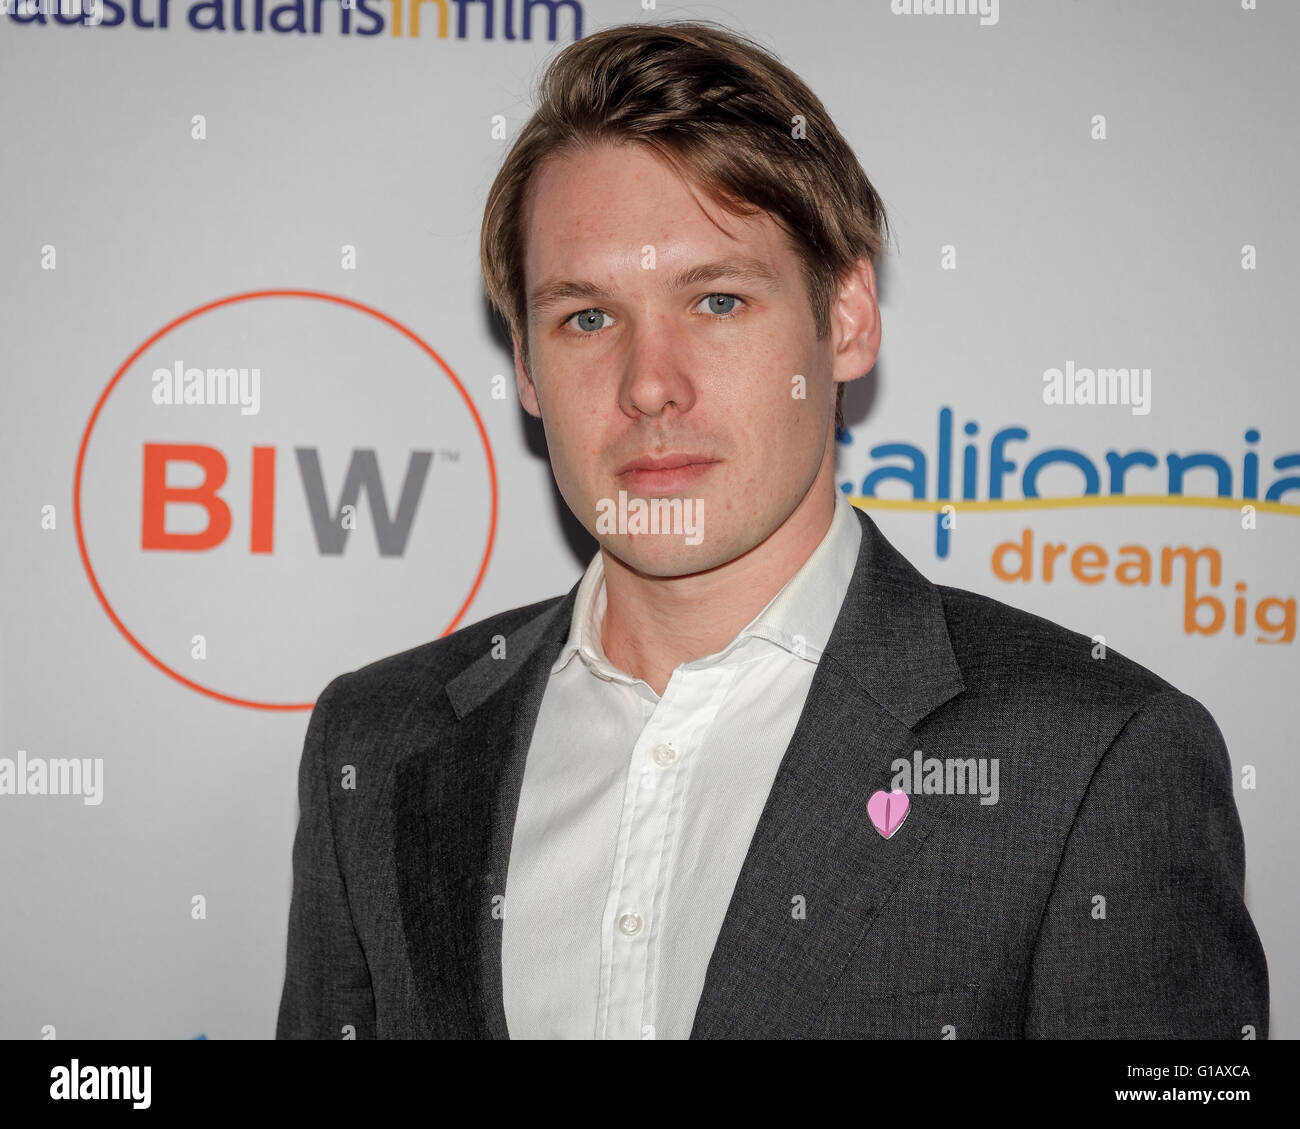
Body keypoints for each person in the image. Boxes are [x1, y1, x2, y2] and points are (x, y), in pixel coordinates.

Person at [276, 20, 1269, 1039]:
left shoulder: (1094, 759)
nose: (649, 384)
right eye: (585, 317)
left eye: (715, 299)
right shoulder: (378, 741)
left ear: (844, 321)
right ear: (525, 367)